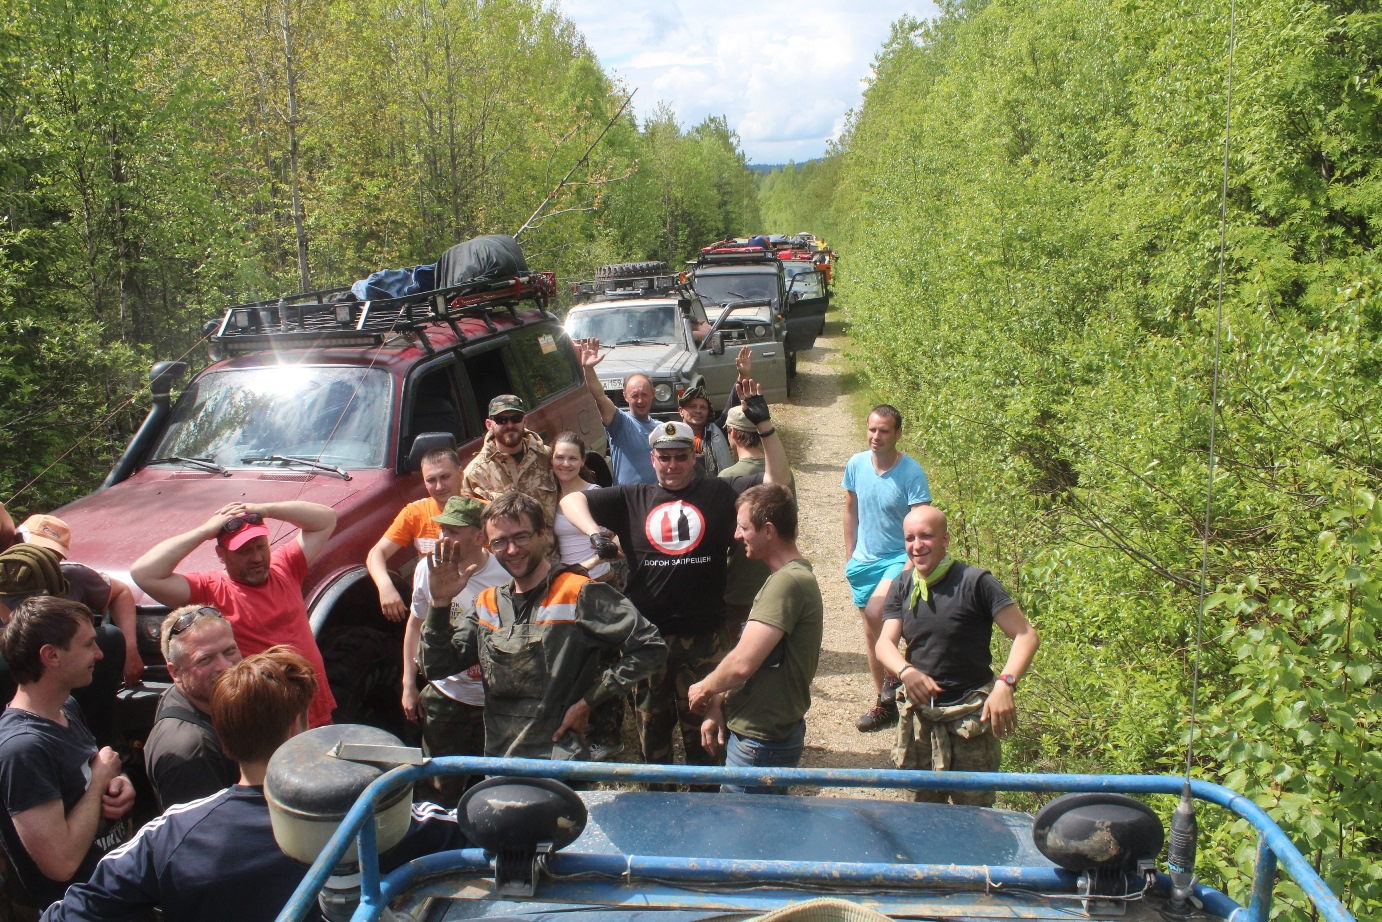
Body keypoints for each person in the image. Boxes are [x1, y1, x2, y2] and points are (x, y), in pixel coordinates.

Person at [40, 646, 465, 922]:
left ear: (223, 736)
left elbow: (69, 913)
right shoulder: (370, 816)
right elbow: (474, 826)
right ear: (298, 727)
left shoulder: (168, 835)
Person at [558, 382, 789, 769]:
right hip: (647, 640)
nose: (672, 465)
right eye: (664, 457)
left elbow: (776, 484)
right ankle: (660, 796)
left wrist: (765, 427)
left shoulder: (719, 493)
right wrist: (594, 532)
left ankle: (708, 798)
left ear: (693, 455)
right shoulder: (632, 497)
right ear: (652, 458)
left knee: (707, 738)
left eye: (680, 456)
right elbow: (571, 499)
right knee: (653, 740)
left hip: (705, 639)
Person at [422, 491, 666, 760]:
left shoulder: (577, 592)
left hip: (560, 762)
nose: (512, 550)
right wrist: (439, 604)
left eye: (521, 537)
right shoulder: (488, 603)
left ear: (543, 535)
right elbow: (436, 666)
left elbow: (650, 647)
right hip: (501, 762)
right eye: (500, 542)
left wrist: (588, 703)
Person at [875, 506, 1039, 806]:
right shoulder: (902, 585)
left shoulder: (976, 582)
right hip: (920, 718)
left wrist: (1006, 684)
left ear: (945, 539)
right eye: (910, 538)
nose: (917, 545)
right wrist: (906, 672)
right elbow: (884, 643)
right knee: (919, 816)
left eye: (926, 536)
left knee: (974, 816)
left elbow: (1025, 635)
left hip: (971, 717)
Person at [131, 501, 338, 728]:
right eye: (244, 551)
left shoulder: (285, 567)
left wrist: (265, 509)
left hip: (315, 707)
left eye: (261, 547)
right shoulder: (210, 590)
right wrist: (205, 531)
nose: (257, 557)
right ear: (221, 554)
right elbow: (144, 573)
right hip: (270, 722)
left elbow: (326, 519)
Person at [0, 597, 135, 913]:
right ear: (51, 655)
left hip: (116, 893)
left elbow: (93, 774)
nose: (99, 654)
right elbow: (60, 863)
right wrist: (100, 781)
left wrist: (120, 783)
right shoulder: (23, 750)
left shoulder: (67, 707)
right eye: (88, 645)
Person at [689, 485, 822, 794]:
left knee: (743, 823)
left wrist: (704, 689)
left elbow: (743, 664)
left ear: (769, 530)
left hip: (761, 744)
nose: (737, 535)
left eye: (744, 527)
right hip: (759, 736)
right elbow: (751, 653)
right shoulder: (785, 579)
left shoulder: (787, 583)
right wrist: (718, 702)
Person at [401, 495, 508, 804]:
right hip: (446, 698)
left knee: (498, 788)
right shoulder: (428, 569)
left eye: (453, 531)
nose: (443, 538)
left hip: (495, 703)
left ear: (478, 536)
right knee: (439, 789)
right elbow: (415, 624)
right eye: (442, 529)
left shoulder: (505, 573)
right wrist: (409, 683)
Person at [843, 405, 931, 733]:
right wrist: (850, 555)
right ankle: (885, 702)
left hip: (898, 557)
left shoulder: (911, 472)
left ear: (898, 434)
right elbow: (850, 509)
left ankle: (897, 683)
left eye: (884, 431)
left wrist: (910, 565)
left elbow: (922, 525)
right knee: (872, 631)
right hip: (863, 562)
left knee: (877, 611)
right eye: (872, 429)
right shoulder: (856, 464)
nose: (876, 436)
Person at [0, 544, 130, 751]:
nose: (97, 654)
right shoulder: (109, 641)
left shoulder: (12, 662)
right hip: (105, 756)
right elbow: (121, 591)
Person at [8, 515, 142, 689]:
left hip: (66, 672)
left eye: (50, 554)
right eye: (34, 550)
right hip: (17, 676)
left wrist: (130, 648)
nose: (41, 559)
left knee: (111, 637)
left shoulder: (72, 576)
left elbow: (121, 592)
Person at [143, 606, 242, 811]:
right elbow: (207, 828)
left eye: (229, 651)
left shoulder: (192, 697)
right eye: (205, 659)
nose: (225, 666)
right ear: (176, 672)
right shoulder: (193, 751)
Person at [719, 405, 797, 638]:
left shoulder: (727, 477)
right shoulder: (783, 471)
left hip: (741, 582)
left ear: (733, 433)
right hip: (778, 573)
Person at [365, 447, 462, 622]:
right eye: (431, 480)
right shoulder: (415, 513)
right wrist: (385, 587)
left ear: (460, 473)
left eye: (445, 477)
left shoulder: (484, 512)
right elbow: (376, 553)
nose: (439, 486)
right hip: (432, 606)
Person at [459, 395, 558, 520]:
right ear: (489, 425)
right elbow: (467, 522)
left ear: (525, 421)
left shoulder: (549, 458)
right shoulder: (474, 474)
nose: (509, 425)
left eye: (516, 419)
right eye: (501, 420)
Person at [576, 338, 659, 485]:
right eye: (635, 395)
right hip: (626, 497)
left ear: (653, 393)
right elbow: (600, 397)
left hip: (655, 496)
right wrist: (588, 369)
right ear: (625, 396)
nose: (640, 400)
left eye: (644, 394)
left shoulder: (661, 429)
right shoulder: (620, 423)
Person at [677, 382, 731, 477]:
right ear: (681, 411)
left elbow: (732, 403)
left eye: (703, 407)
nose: (698, 411)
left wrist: (742, 378)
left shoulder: (717, 431)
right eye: (692, 406)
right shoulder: (672, 437)